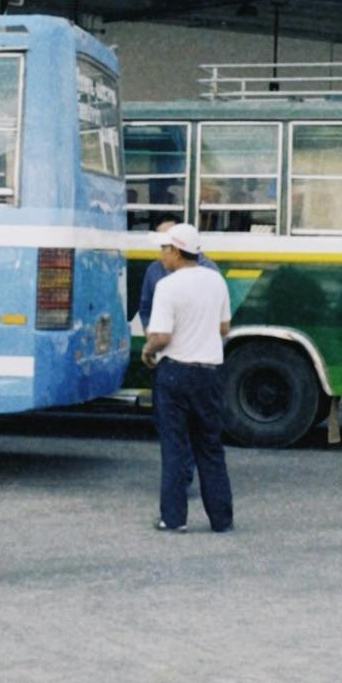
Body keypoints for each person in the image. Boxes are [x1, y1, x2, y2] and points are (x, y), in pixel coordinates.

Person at [143, 223, 234, 534]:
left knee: (174, 447)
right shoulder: (216, 281)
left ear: (177, 252)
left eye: (164, 250)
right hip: (209, 373)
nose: (161, 256)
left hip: (175, 373)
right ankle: (221, 519)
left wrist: (147, 349)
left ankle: (174, 518)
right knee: (210, 447)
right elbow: (224, 328)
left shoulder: (168, 286)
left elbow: (162, 335)